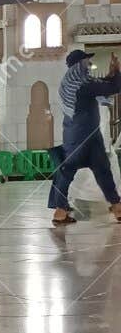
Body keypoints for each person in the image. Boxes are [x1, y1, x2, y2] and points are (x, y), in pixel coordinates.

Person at [49, 49, 121, 227]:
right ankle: (61, 211)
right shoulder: (82, 85)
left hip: (80, 135)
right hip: (84, 136)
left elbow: (100, 85)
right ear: (78, 65)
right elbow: (113, 88)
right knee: (71, 171)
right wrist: (117, 71)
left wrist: (111, 74)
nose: (89, 65)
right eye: (86, 62)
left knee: (101, 170)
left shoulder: (72, 83)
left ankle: (117, 208)